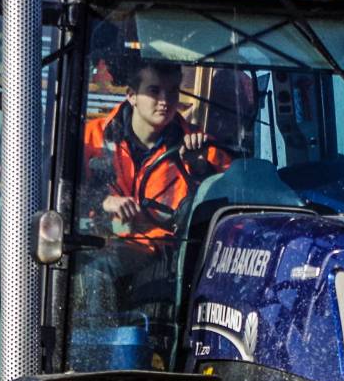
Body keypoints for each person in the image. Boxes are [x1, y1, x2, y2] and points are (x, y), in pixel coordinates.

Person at [80, 59, 231, 247]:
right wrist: (103, 201)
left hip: (166, 253)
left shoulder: (201, 147)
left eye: (172, 92)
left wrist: (201, 170)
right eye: (154, 91)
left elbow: (229, 207)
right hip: (100, 243)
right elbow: (64, 195)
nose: (165, 101)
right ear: (132, 95)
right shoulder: (91, 137)